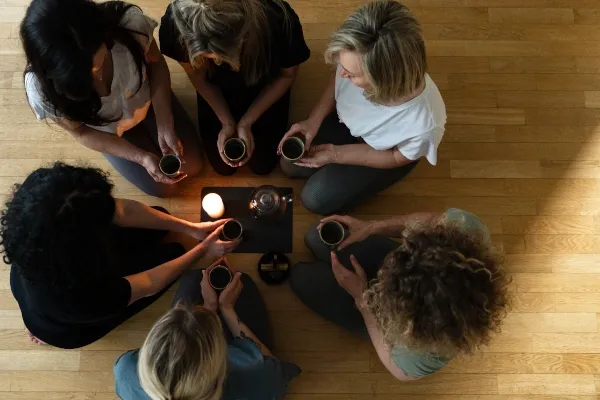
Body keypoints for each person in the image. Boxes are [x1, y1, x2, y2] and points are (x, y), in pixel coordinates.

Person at [3, 163, 238, 349]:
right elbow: (149, 284)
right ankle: (42, 328)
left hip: (54, 267)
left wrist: (190, 228)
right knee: (175, 253)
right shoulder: (80, 298)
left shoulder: (48, 196)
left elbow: (124, 210)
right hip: (69, 319)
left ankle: (38, 322)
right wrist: (202, 250)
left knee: (161, 219)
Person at [290, 209, 510, 380]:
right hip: (403, 294)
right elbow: (432, 221)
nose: (384, 269)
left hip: (386, 320)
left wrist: (361, 298)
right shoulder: (466, 232)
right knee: (317, 236)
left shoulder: (423, 350)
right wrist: (372, 227)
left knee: (301, 277)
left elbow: (396, 369)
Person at [21, 0, 203, 198]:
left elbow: (157, 64)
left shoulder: (128, 26)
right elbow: (80, 132)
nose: (95, 76)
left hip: (149, 98)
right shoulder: (42, 90)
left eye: (95, 64)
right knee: (164, 188)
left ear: (102, 35)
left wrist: (165, 120)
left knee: (192, 166)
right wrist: (140, 157)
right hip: (110, 131)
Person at [278, 0, 446, 215]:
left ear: (383, 79)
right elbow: (339, 81)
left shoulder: (423, 125)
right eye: (343, 64)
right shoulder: (357, 57)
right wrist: (314, 120)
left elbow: (396, 157)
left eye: (352, 74)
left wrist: (336, 154)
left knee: (315, 199)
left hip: (384, 152)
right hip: (352, 124)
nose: (342, 74)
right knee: (289, 163)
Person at [159, 0, 310, 176]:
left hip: (267, 83)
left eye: (222, 57)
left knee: (263, 166)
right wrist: (227, 122)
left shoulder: (280, 21)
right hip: (215, 86)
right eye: (207, 57)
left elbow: (286, 76)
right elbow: (197, 76)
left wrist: (247, 121)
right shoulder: (176, 23)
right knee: (223, 167)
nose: (217, 62)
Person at [114, 258, 301, 399]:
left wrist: (209, 307)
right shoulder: (256, 376)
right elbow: (272, 368)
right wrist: (226, 309)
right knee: (244, 282)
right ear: (222, 360)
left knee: (195, 277)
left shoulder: (127, 372)